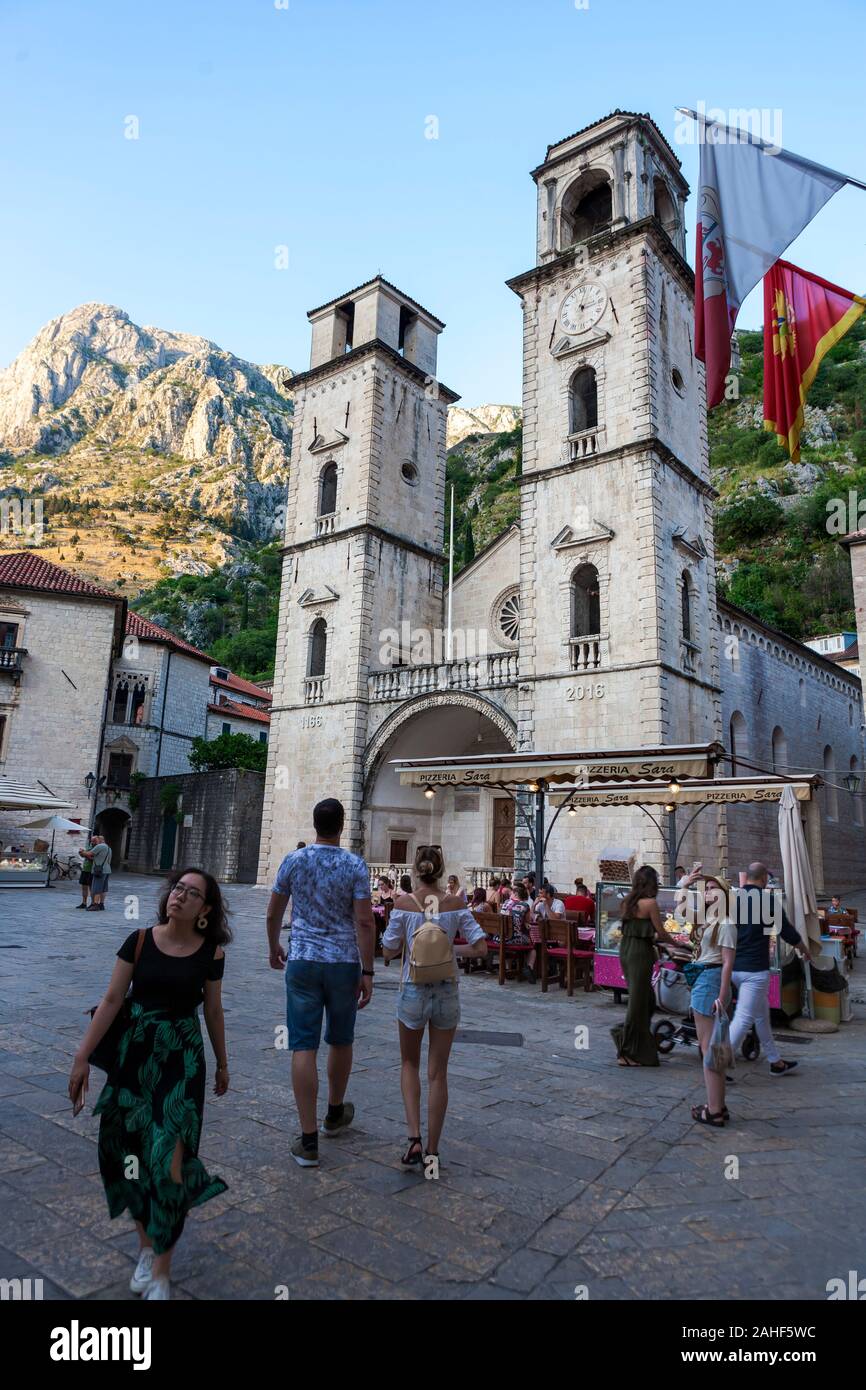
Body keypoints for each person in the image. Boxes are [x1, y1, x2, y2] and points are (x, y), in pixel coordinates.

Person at [68, 868, 230, 1300]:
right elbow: (112, 999)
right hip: (134, 1059)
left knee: (168, 1163)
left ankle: (161, 1268)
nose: (179, 896)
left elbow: (213, 1012)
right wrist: (82, 1056)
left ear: (205, 909)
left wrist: (222, 1065)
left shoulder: (210, 953)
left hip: (182, 1063)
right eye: (177, 888)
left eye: (191, 893)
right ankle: (146, 1246)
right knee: (130, 1157)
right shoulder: (138, 941)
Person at [266, 798, 375, 1167]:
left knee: (303, 1045)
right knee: (341, 1039)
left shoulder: (294, 860)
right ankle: (333, 1113)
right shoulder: (354, 864)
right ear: (342, 826)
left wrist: (273, 947)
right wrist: (368, 971)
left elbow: (274, 911)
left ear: (314, 824)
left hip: (303, 961)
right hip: (343, 962)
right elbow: (364, 922)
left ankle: (308, 1139)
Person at [381, 846, 487, 1167]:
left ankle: (414, 1138)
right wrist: (451, 954)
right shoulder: (456, 904)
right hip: (446, 991)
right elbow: (481, 947)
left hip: (412, 989)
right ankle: (433, 1151)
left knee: (409, 1063)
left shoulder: (403, 904)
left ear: (416, 870)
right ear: (441, 871)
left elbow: (387, 950)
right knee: (438, 1073)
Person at [730, 862, 809, 1076]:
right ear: (764, 879)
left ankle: (775, 1061)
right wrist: (804, 949)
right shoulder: (767, 901)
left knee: (761, 1015)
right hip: (754, 970)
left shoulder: (733, 899)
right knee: (744, 1018)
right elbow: (786, 932)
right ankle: (716, 1064)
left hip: (734, 968)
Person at [610, 864, 684, 1067]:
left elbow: (639, 930)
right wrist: (678, 944)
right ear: (650, 883)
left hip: (627, 951)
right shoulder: (650, 903)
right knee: (638, 1002)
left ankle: (635, 1044)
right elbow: (660, 932)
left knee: (646, 999)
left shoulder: (627, 901)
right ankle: (626, 1050)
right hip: (640, 955)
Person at [687, 876, 737, 1127]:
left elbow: (728, 962)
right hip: (705, 978)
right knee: (713, 1048)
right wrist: (685, 884)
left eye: (713, 888)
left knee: (709, 1048)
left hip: (711, 981)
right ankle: (718, 1105)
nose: (707, 892)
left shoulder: (726, 923)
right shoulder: (711, 920)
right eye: (705, 889)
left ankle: (714, 1110)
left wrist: (721, 994)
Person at [527, 883, 567, 983]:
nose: (538, 895)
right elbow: (531, 917)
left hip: (560, 935)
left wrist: (545, 906)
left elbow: (555, 920)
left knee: (543, 944)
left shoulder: (558, 904)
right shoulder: (539, 904)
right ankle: (534, 971)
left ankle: (550, 970)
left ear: (548, 895)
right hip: (547, 935)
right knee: (534, 944)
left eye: (541, 893)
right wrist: (534, 905)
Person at [82, 833, 112, 911]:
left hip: (99, 870)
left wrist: (82, 852)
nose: (95, 842)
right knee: (103, 888)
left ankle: (95, 905)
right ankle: (101, 904)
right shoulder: (109, 848)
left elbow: (89, 853)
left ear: (100, 840)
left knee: (97, 888)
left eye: (96, 840)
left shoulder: (100, 846)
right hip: (107, 870)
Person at [76, 841, 94, 909]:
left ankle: (93, 903)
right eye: (92, 841)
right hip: (85, 869)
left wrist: (85, 854)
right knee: (84, 887)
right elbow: (84, 856)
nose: (92, 842)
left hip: (91, 870)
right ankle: (84, 903)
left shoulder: (96, 848)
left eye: (93, 841)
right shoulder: (89, 847)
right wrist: (81, 853)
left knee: (91, 888)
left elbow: (93, 859)